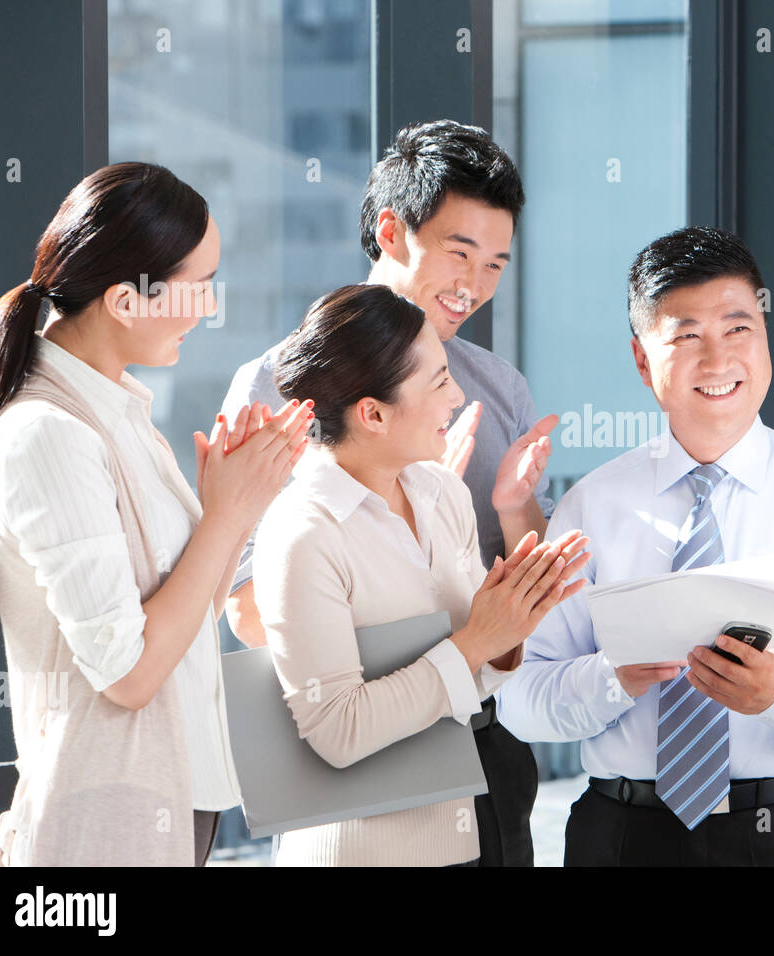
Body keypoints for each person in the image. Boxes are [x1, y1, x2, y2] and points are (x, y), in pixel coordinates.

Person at [497, 226, 774, 866]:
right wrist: (612, 678)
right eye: (686, 337)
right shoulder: (590, 508)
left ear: (765, 340)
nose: (718, 360)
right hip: (625, 838)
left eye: (738, 330)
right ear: (643, 360)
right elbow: (519, 702)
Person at [222, 120, 550, 866]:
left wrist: (500, 514)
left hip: (487, 748)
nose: (474, 285)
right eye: (459, 253)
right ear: (392, 230)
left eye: (496, 263)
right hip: (361, 767)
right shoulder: (276, 388)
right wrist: (434, 649)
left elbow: (507, 615)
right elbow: (242, 606)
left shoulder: (498, 388)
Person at [0, 162, 312, 866]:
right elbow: (127, 674)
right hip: (102, 829)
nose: (211, 308)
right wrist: (224, 515)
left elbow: (185, 624)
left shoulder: (119, 413)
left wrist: (239, 509)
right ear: (126, 300)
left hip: (173, 804)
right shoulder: (48, 434)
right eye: (200, 286)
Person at [252, 284, 588, 866]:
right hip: (365, 849)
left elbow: (474, 680)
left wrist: (511, 627)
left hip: (472, 819)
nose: (457, 396)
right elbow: (337, 729)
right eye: (437, 381)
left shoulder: (440, 491)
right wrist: (478, 640)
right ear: (373, 413)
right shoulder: (303, 532)